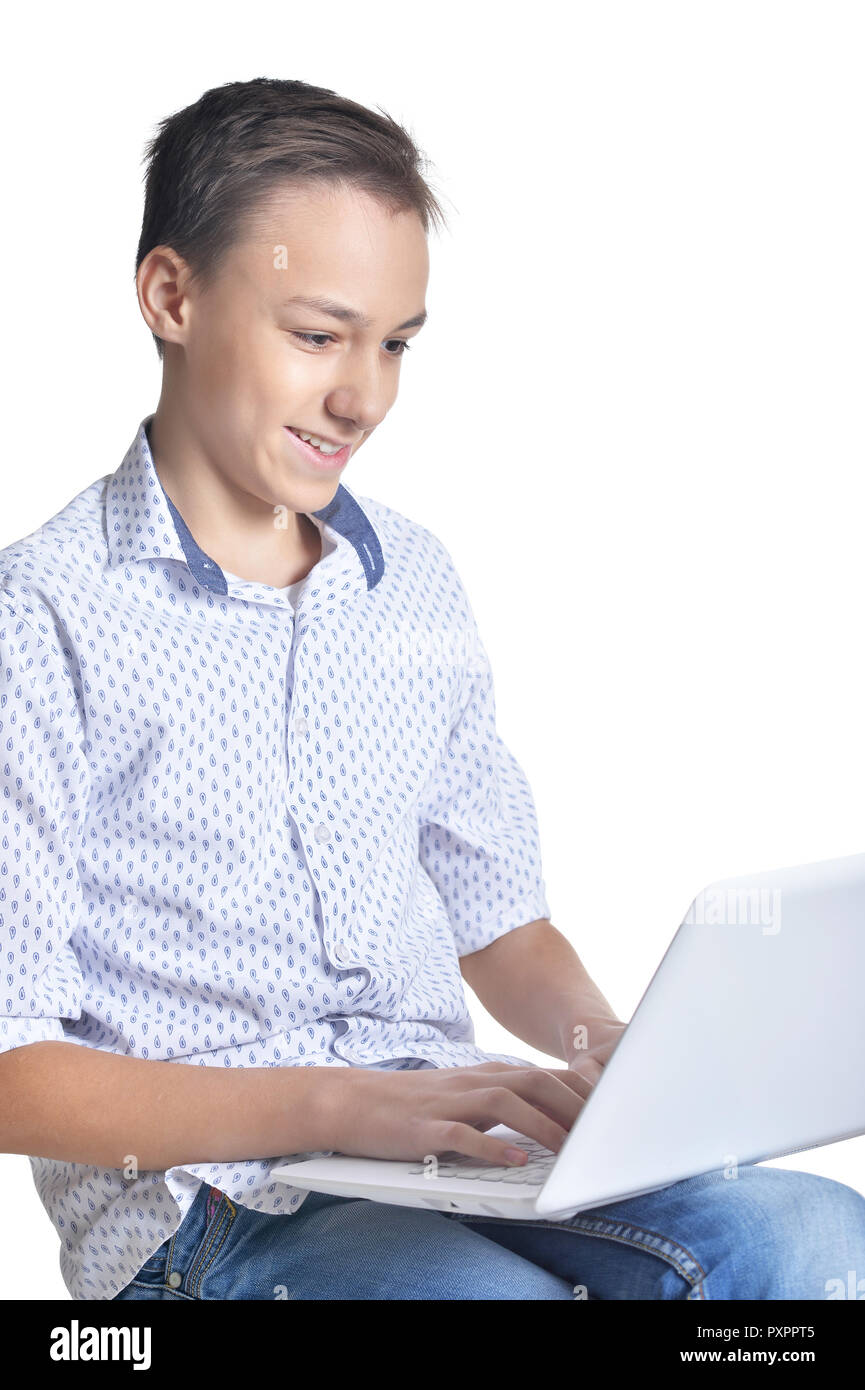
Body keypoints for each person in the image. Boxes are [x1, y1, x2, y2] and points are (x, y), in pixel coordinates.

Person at [1, 77, 863, 1302]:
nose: (366, 396)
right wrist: (337, 1102)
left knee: (820, 1240)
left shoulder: (409, 583)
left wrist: (609, 1058)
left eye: (395, 343)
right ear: (171, 294)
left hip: (447, 1150)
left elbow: (498, 919)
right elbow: (8, 1067)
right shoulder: (38, 617)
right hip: (211, 1210)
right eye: (318, 334)